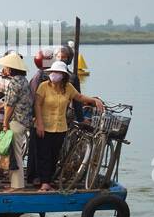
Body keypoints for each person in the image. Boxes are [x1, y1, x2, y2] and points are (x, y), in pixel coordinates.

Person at [33, 59, 104, 190]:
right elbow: (37, 104)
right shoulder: (43, 86)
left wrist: (94, 100)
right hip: (44, 126)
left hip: (60, 127)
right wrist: (39, 123)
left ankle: (50, 180)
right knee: (44, 155)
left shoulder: (68, 88)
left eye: (58, 72)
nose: (55, 74)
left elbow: (80, 98)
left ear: (64, 76)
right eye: (53, 72)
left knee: (55, 155)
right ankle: (44, 182)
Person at [0, 52, 34, 190]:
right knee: (14, 152)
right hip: (25, 120)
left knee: (15, 153)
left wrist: (5, 123)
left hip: (17, 121)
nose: (4, 69)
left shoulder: (14, 82)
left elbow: (10, 105)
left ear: (11, 68)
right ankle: (14, 183)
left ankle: (17, 186)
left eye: (6, 67)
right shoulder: (23, 80)